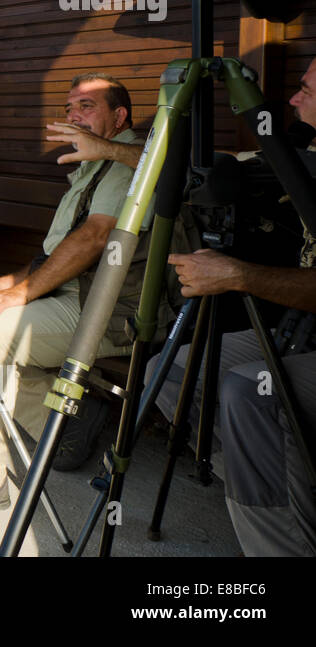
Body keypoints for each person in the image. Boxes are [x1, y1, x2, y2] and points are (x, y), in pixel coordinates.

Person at [0, 73, 146, 516]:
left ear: (119, 117)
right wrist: (8, 284)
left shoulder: (127, 163)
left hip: (109, 312)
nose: (74, 117)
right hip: (77, 298)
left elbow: (95, 237)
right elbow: (57, 251)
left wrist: (24, 295)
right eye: (69, 109)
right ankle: (67, 422)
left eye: (87, 107)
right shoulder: (93, 166)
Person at [151, 57, 316, 554]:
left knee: (250, 392)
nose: (292, 98)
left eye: (305, 87)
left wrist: (237, 275)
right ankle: (273, 486)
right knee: (172, 370)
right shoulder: (303, 149)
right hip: (301, 326)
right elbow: (235, 167)